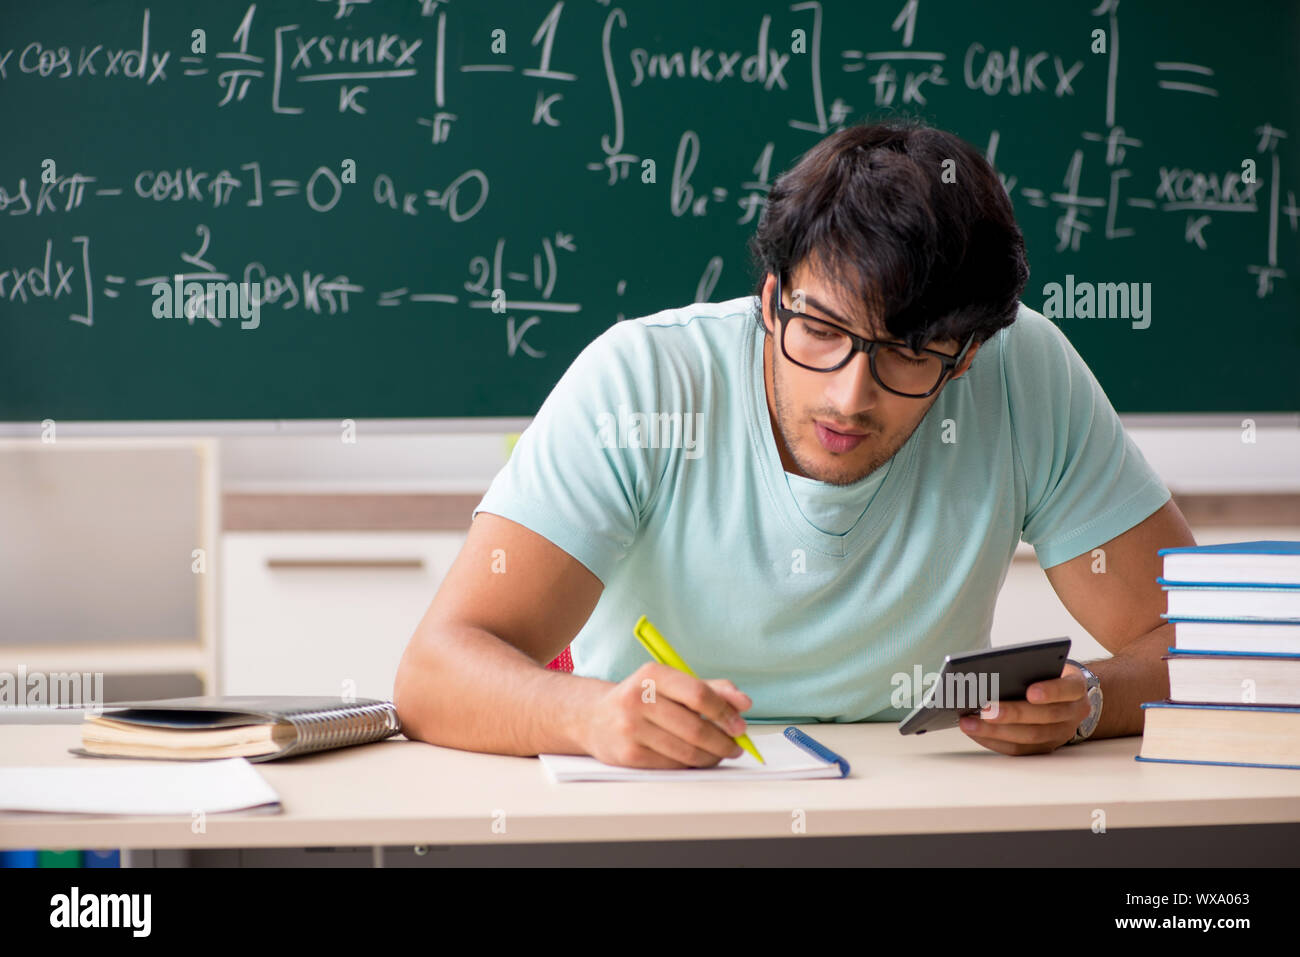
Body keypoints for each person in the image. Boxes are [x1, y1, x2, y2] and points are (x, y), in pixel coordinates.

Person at [394, 120, 1195, 767]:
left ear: (968, 356)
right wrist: (592, 717)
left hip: (922, 810)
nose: (850, 396)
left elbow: (1197, 645)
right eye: (821, 330)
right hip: (661, 805)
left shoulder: (1026, 372)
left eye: (910, 354)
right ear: (773, 299)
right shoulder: (643, 380)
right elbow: (434, 672)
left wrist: (1090, 699)